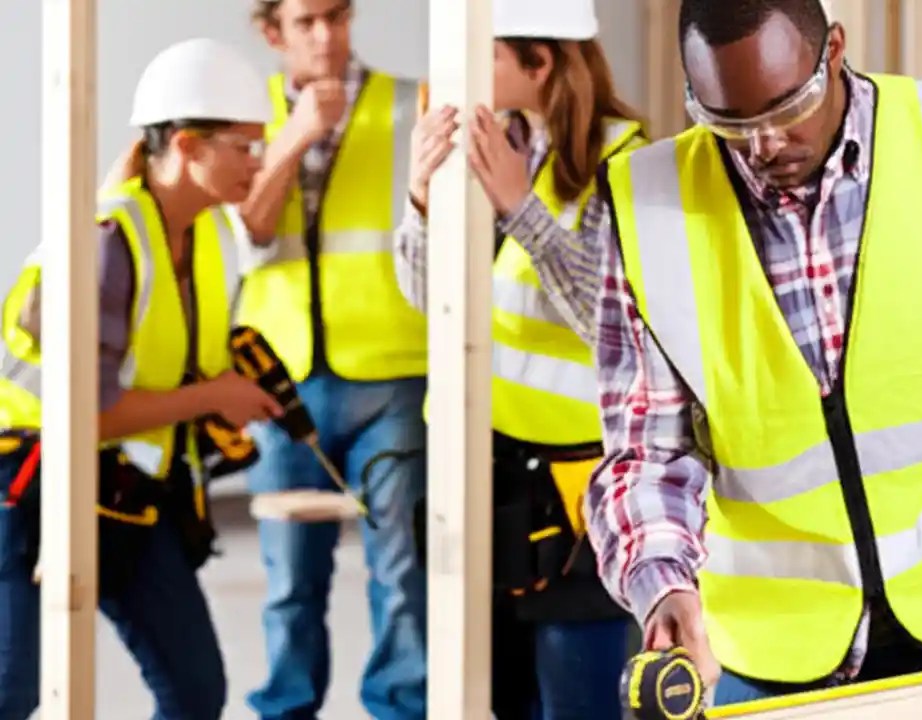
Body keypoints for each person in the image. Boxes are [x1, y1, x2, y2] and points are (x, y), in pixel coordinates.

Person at [584, 0, 922, 706]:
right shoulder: (646, 209)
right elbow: (645, 456)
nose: (763, 145)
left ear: (833, 49)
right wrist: (661, 585)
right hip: (763, 658)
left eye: (787, 107)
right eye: (729, 121)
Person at [0, 38, 279, 720]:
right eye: (243, 147)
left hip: (128, 492)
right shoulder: (105, 241)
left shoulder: (210, 235)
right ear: (186, 145)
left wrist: (221, 395)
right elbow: (82, 415)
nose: (258, 163)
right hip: (30, 486)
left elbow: (168, 363)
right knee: (11, 691)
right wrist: (216, 396)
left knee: (194, 692)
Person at [392, 0, 646, 717]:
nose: (459, 72)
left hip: (574, 490)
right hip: (478, 468)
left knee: (576, 698)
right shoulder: (484, 139)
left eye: (487, 52)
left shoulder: (624, 159)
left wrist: (520, 206)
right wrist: (418, 198)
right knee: (492, 696)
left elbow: (614, 322)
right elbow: (423, 296)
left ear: (541, 61)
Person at [234, 1, 429, 718]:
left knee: (403, 571)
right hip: (280, 385)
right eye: (307, 21)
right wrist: (294, 137)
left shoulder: (412, 103)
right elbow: (250, 236)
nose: (327, 35)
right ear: (271, 32)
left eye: (337, 16)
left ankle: (403, 708)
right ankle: (286, 708)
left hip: (393, 373)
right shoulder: (245, 113)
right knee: (290, 576)